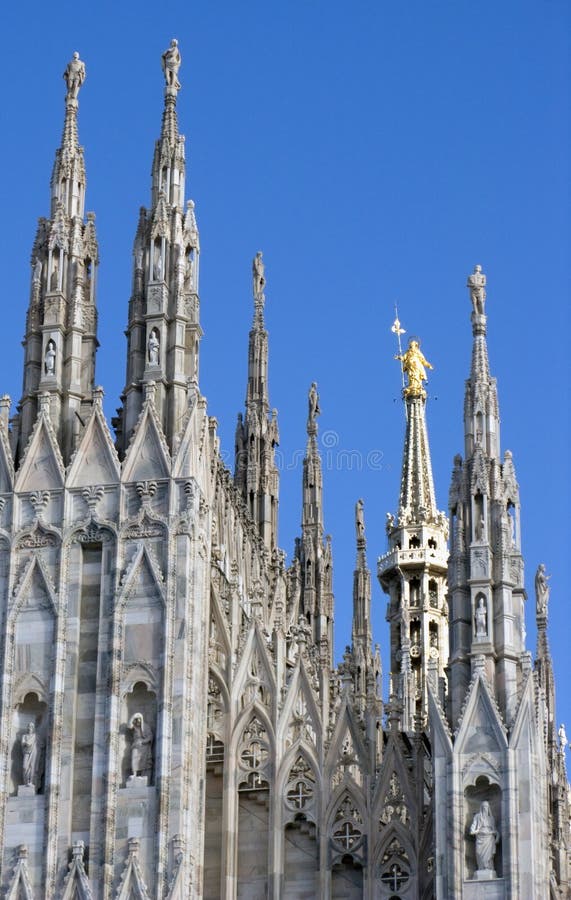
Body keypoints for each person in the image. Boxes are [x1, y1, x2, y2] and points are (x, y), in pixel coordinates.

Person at [470, 801, 499, 872]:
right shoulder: (477, 816)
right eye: (484, 807)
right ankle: (481, 867)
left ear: (488, 808)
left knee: (489, 856)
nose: (485, 808)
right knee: (478, 852)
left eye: (486, 807)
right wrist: (477, 831)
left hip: (489, 838)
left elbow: (494, 830)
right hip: (480, 837)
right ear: (481, 808)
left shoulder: (491, 818)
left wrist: (497, 835)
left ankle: (488, 867)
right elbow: (472, 829)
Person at [21, 722, 39, 788]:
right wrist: (27, 743)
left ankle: (30, 782)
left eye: (31, 726)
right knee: (24, 767)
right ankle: (25, 782)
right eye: (29, 726)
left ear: (33, 728)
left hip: (33, 752)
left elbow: (39, 744)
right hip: (26, 752)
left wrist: (27, 743)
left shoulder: (35, 736)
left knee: (32, 767)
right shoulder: (24, 736)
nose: (30, 728)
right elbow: (23, 743)